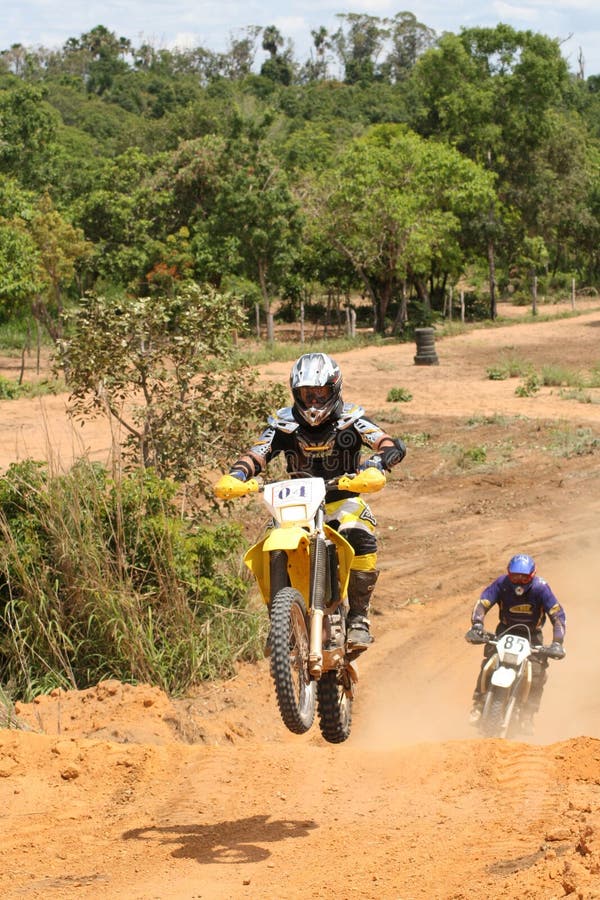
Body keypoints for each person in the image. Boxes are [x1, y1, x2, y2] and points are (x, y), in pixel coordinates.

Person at [214, 351, 406, 650]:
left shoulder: (351, 420)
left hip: (342, 497)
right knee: (269, 546)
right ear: (296, 393)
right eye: (307, 394)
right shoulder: (283, 424)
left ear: (334, 388)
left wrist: (378, 464)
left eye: (320, 393)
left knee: (359, 534)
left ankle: (358, 618)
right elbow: (258, 453)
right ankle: (279, 625)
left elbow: (388, 443)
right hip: (295, 502)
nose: (314, 401)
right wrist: (236, 475)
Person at [465, 553, 566, 731]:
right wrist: (477, 625)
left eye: (524, 577)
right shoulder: (502, 584)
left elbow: (557, 615)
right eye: (515, 576)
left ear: (532, 575)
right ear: (508, 574)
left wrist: (557, 642)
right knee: (489, 662)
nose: (519, 581)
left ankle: (528, 715)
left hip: (532, 636)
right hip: (504, 631)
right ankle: (479, 705)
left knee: (538, 672)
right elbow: (482, 603)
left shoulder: (541, 588)